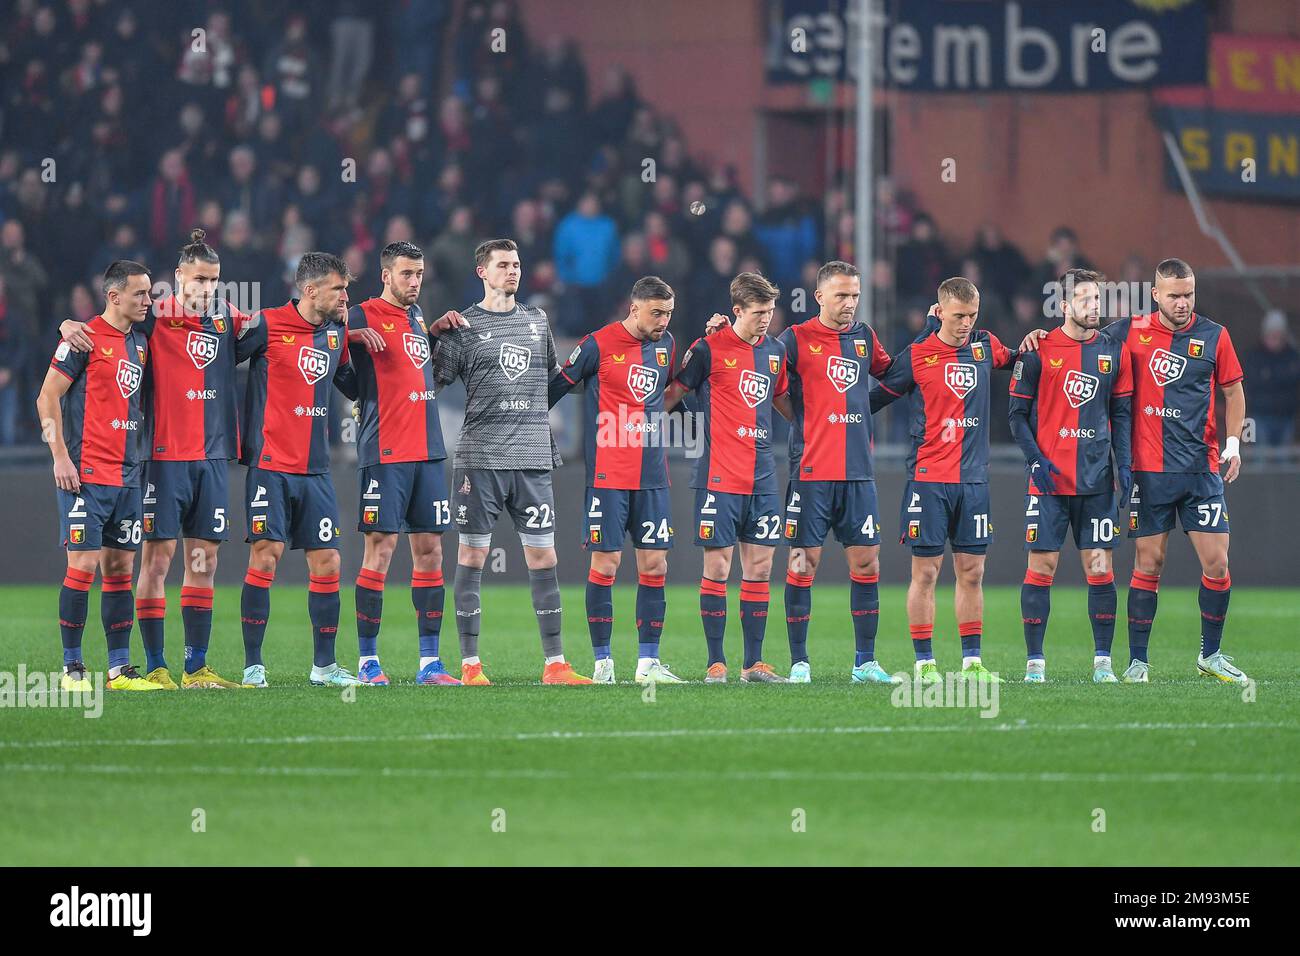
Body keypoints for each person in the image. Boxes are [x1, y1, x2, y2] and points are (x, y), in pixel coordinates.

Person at [59, 228, 249, 689]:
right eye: (200, 279)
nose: (208, 289)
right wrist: (68, 326)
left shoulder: (228, 319)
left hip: (213, 459)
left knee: (204, 562)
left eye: (215, 281)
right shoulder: (154, 317)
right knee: (156, 564)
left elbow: (284, 325)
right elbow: (108, 322)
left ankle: (197, 667)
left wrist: (348, 321)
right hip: (162, 462)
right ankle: (157, 664)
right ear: (179, 276)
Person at [432, 238, 592, 685]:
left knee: (544, 558)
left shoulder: (538, 320)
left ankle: (556, 664)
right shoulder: (462, 325)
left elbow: (550, 382)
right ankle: (470, 665)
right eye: (503, 264)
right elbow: (432, 384)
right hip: (480, 458)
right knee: (472, 555)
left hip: (533, 457)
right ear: (481, 271)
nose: (513, 271)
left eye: (517, 264)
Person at [870, 277, 1019, 684]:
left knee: (972, 572)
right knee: (927, 573)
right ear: (940, 312)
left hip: (974, 481)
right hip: (928, 480)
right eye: (958, 316)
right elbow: (874, 398)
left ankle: (972, 663)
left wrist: (1041, 338)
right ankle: (925, 664)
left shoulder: (985, 345)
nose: (966, 323)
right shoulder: (918, 354)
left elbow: (1023, 360)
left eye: (972, 315)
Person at [549, 275, 684, 684]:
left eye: (668, 313)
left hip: (652, 475)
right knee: (606, 565)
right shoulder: (596, 345)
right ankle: (603, 663)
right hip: (608, 475)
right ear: (634, 307)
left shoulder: (667, 346)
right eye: (656, 312)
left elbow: (669, 394)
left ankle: (647, 664)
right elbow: (553, 389)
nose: (663, 320)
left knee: (655, 565)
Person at [235, 252, 361, 688]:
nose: (346, 296)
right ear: (310, 290)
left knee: (328, 562)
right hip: (270, 465)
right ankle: (254, 666)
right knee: (265, 558)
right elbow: (216, 363)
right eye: (338, 289)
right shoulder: (267, 325)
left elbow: (351, 383)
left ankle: (324, 666)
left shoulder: (337, 332)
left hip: (316, 470)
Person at [344, 241, 465, 686]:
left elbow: (410, 364)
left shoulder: (415, 316)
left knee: (431, 551)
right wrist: (349, 342)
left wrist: (432, 332)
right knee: (381, 550)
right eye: (406, 274)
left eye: (418, 274)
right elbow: (327, 353)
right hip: (386, 451)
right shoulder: (359, 314)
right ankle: (368, 662)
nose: (414, 282)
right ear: (385, 275)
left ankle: (429, 664)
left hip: (429, 451)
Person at [35, 260, 159, 691]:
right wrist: (59, 458)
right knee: (83, 566)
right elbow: (46, 398)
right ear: (114, 296)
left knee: (121, 569)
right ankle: (72, 668)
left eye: (149, 293)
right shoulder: (82, 339)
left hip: (127, 476)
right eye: (140, 293)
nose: (148, 300)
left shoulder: (140, 343)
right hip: (84, 474)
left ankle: (119, 670)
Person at [663, 272, 790, 683]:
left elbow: (783, 401)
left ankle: (753, 663)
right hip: (718, 475)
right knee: (718, 568)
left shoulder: (775, 352)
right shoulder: (708, 348)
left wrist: (814, 428)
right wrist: (640, 427)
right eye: (758, 312)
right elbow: (673, 393)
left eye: (770, 311)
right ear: (737, 311)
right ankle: (715, 662)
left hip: (763, 477)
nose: (766, 319)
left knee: (760, 568)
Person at [1007, 269, 1133, 683]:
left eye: (1097, 298)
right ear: (1064, 306)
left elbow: (1120, 414)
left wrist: (1125, 467)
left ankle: (1102, 664)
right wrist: (1035, 461)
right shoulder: (1037, 350)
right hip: (1048, 483)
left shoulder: (1114, 351)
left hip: (1097, 482)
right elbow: (1017, 416)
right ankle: (1035, 665)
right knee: (1041, 568)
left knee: (1100, 568)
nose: (1093, 305)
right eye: (1084, 298)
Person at [1242, 310, 1299, 447]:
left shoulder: (1292, 357)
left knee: (1284, 461)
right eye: (1271, 335)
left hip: (1286, 416)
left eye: (1278, 335)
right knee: (1260, 459)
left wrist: (1269, 376)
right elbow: (1252, 383)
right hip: (1259, 415)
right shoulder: (1254, 357)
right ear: (1264, 335)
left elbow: (1294, 381)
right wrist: (1281, 377)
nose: (1274, 339)